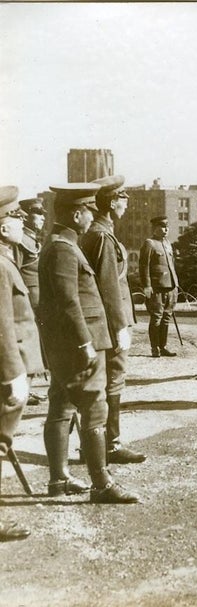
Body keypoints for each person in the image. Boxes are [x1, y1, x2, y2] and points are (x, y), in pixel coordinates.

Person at [38, 183, 139, 503]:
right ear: (76, 213)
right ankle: (101, 484)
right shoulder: (63, 249)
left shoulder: (60, 244)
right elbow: (68, 302)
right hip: (81, 344)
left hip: (68, 344)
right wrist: (85, 344)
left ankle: (59, 479)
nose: (90, 218)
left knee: (61, 407)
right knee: (94, 410)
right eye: (88, 212)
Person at [80, 175, 145, 464]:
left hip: (106, 321)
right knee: (113, 382)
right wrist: (120, 327)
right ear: (111, 202)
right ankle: (110, 445)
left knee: (104, 383)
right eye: (123, 198)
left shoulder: (99, 232)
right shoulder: (103, 236)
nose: (126, 204)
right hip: (109, 323)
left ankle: (96, 444)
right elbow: (108, 287)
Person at [0, 186, 44, 540]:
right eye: (16, 216)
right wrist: (13, 374)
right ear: (2, 226)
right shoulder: (0, 265)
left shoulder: (7, 259)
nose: (22, 221)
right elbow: (2, 326)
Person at [15, 197, 48, 406]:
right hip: (26, 303)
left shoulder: (34, 239)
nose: (43, 217)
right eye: (38, 213)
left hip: (38, 303)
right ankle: (23, 391)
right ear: (26, 216)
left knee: (35, 347)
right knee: (26, 347)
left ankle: (29, 389)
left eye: (43, 213)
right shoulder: (20, 242)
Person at [139, 216, 179, 358]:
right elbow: (144, 266)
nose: (166, 229)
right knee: (156, 318)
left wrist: (176, 285)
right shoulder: (149, 243)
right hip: (156, 288)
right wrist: (147, 286)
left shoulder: (168, 244)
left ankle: (163, 347)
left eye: (167, 227)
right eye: (162, 226)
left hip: (171, 287)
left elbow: (172, 266)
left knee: (166, 317)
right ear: (154, 228)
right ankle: (154, 348)